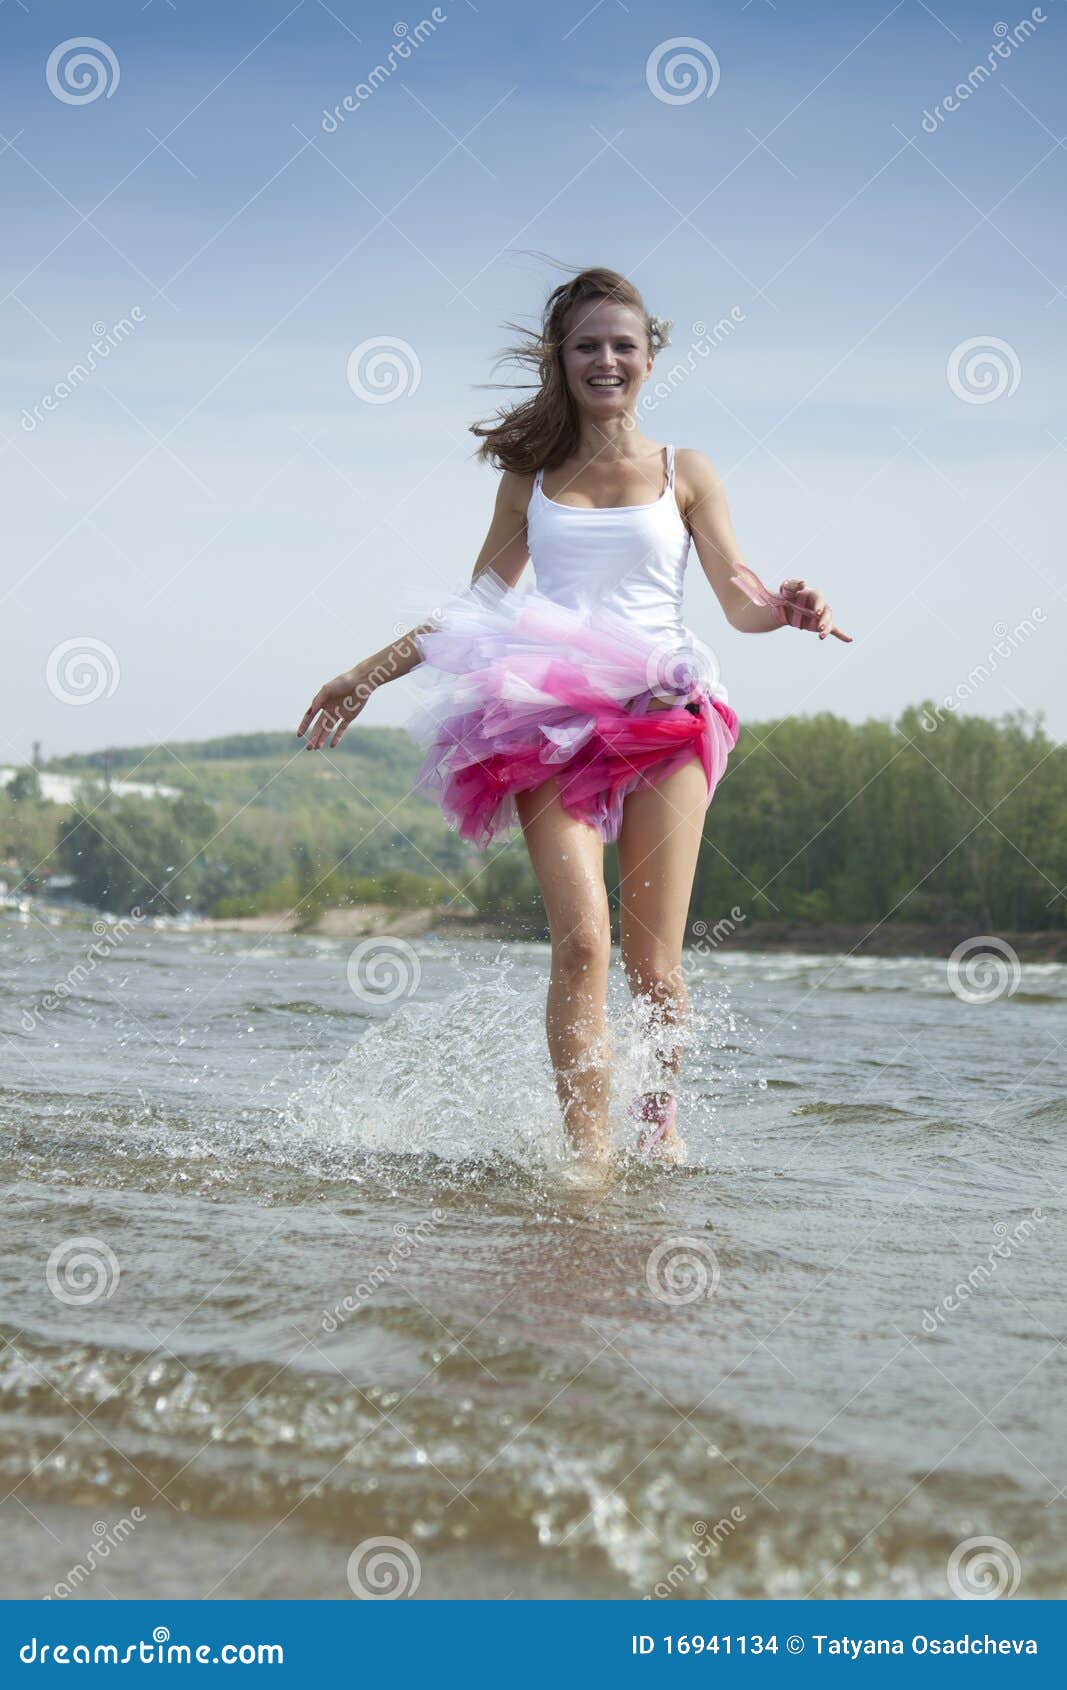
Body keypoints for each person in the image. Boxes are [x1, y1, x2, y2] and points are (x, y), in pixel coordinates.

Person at [297, 266, 850, 1170]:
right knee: (583, 947)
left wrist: (789, 607)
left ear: (650, 356)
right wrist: (367, 673)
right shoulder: (532, 476)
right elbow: (474, 607)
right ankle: (588, 1160)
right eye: (587, 345)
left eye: (622, 346)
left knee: (654, 967)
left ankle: (656, 1125)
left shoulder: (687, 473)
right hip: (545, 718)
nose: (605, 361)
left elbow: (742, 598)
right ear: (561, 358)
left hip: (667, 718)